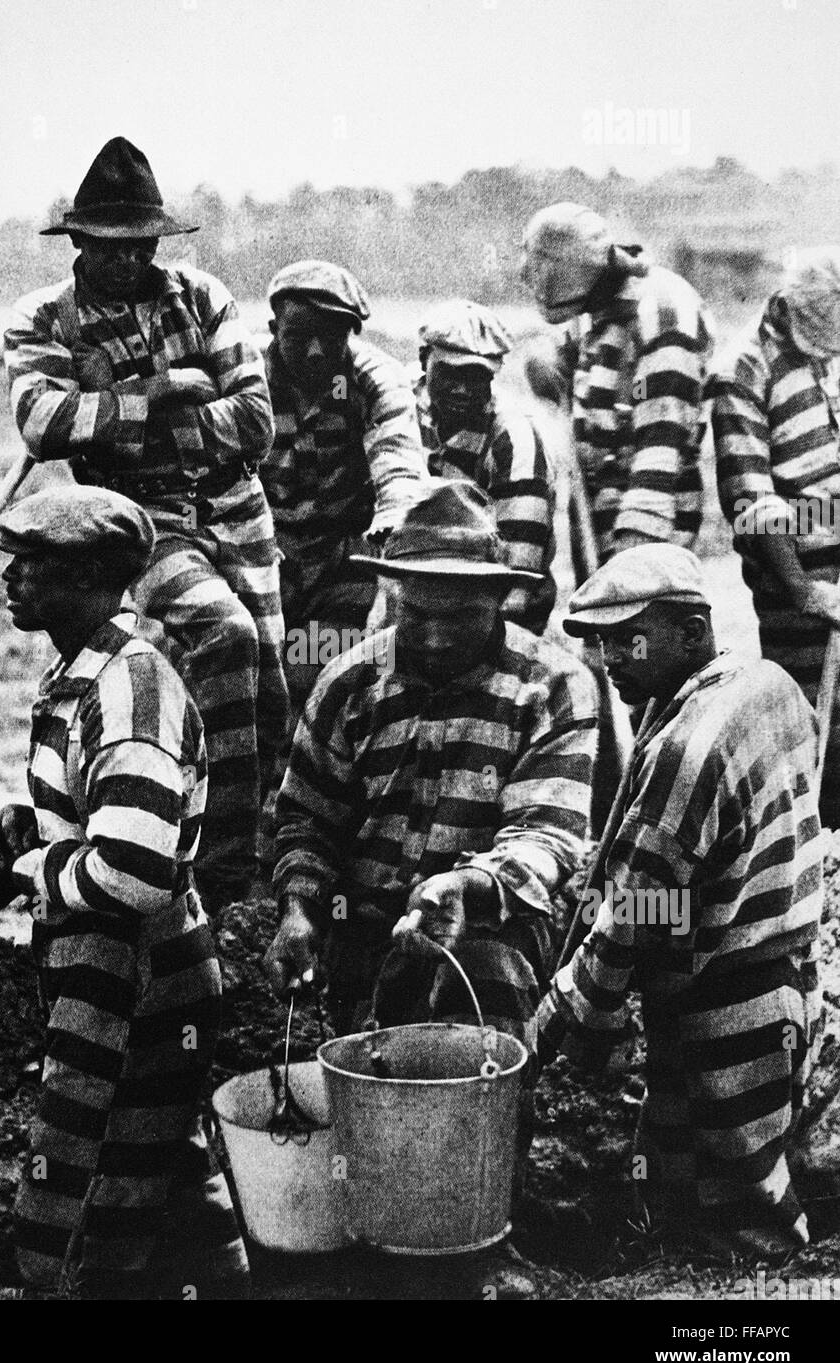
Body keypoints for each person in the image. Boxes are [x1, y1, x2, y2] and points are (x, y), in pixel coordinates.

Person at [0, 484, 248, 1300]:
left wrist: (26, 874)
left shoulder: (127, 696)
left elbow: (127, 872)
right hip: (112, 964)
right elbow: (100, 813)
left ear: (90, 574)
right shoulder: (80, 676)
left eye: (34, 561)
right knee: (164, 1171)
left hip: (135, 970)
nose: (11, 574)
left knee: (82, 1196)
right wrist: (31, 822)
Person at [4, 136, 286, 912]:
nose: (130, 261)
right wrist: (164, 390)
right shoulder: (44, 318)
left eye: (142, 245)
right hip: (142, 517)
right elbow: (43, 421)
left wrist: (120, 414)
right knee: (222, 634)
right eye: (113, 247)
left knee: (268, 682)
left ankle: (254, 862)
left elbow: (256, 422)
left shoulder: (203, 296)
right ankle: (221, 872)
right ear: (82, 241)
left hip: (238, 507)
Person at [536, 543, 823, 1261]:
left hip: (723, 1003)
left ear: (692, 630)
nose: (609, 658)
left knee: (744, 1218)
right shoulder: (767, 684)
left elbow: (634, 909)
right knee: (684, 1192)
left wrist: (564, 1015)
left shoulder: (688, 745)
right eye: (599, 642)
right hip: (775, 984)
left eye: (628, 638)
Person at [264, 480, 597, 1047]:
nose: (438, 639)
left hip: (494, 924)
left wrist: (465, 887)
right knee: (370, 1080)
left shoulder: (552, 688)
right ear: (393, 594)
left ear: (499, 599)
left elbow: (546, 835)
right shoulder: (349, 682)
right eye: (418, 615)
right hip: (365, 925)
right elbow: (307, 820)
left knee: (483, 1004)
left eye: (461, 617)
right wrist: (301, 909)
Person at [260, 259, 428, 713]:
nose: (315, 352)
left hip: (342, 562)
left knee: (325, 674)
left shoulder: (372, 380)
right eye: (299, 336)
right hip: (263, 559)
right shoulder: (246, 380)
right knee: (250, 677)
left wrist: (394, 522)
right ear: (274, 328)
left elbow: (398, 459)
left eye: (330, 337)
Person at [709, 246, 840, 828]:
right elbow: (749, 499)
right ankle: (813, 858)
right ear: (787, 308)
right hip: (797, 581)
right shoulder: (743, 367)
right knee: (814, 729)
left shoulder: (824, 348)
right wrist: (803, 589)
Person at [520, 202, 713, 575]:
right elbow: (570, 360)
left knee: (646, 628)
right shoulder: (598, 302)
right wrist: (544, 363)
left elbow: (662, 439)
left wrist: (636, 552)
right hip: (596, 519)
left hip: (650, 525)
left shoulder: (663, 312)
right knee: (600, 629)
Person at [414, 299, 557, 632]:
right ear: (425, 361)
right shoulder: (402, 410)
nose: (462, 389)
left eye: (477, 377)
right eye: (450, 373)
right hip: (420, 585)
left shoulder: (514, 438)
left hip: (490, 600)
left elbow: (519, 580)